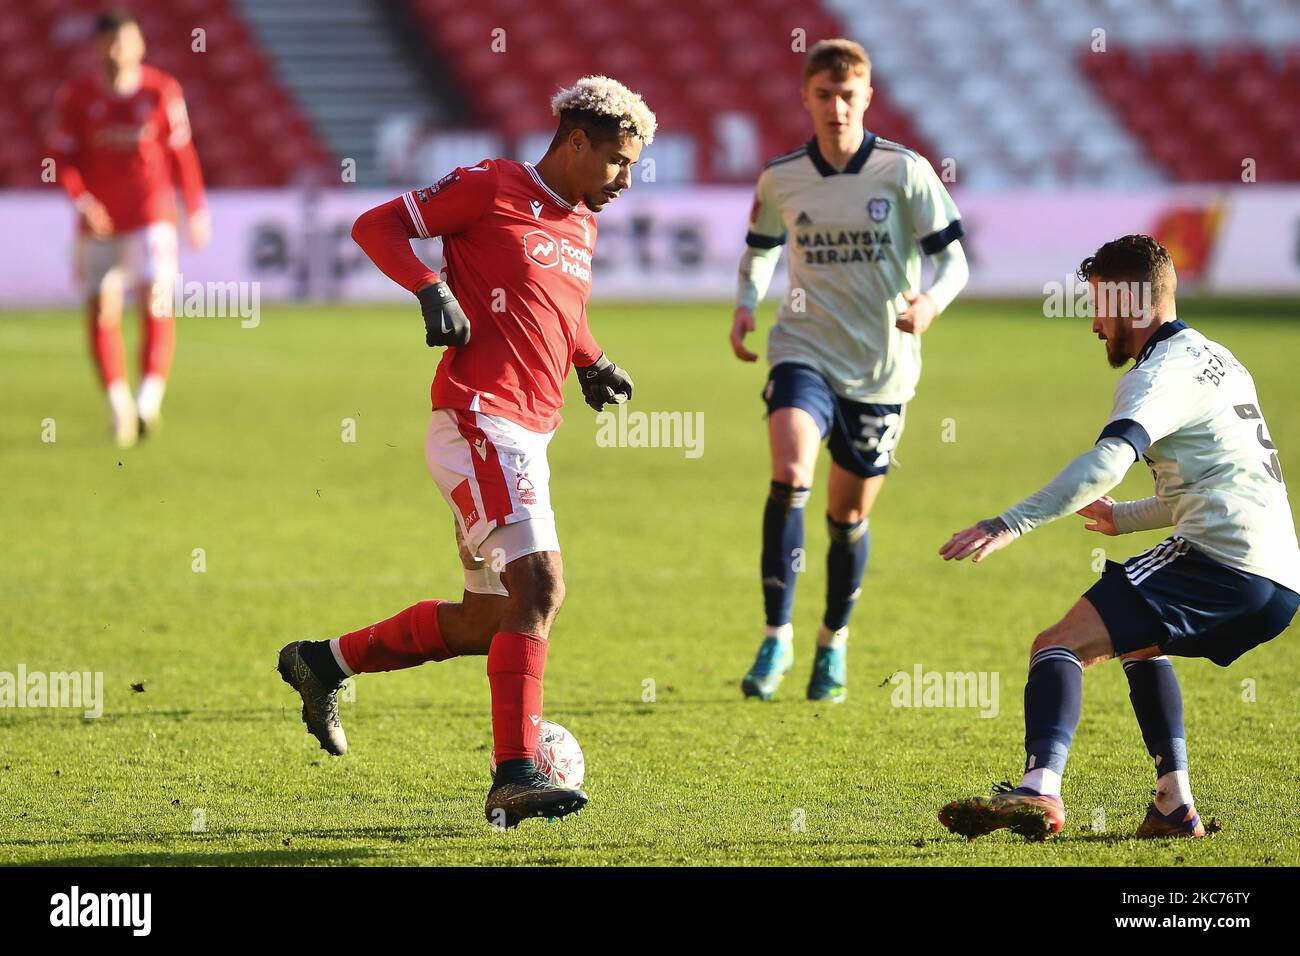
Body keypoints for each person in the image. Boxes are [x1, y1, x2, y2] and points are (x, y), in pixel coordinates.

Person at [278, 76, 652, 828]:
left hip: (527, 434)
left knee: (491, 622)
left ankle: (323, 661)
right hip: (480, 420)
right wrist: (427, 286)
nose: (625, 180)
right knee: (541, 590)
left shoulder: (582, 224)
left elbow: (561, 308)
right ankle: (513, 775)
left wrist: (591, 360)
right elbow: (376, 223)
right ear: (574, 141)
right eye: (616, 160)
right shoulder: (489, 185)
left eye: (632, 166)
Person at [938, 235, 1300, 840]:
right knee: (1139, 643)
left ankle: (1040, 789)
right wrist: (1124, 518)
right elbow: (1213, 482)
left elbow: (1106, 462)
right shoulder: (1218, 358)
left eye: (1100, 305)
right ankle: (1172, 804)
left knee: (1056, 645)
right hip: (1279, 578)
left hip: (1223, 560)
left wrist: (1009, 522)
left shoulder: (1157, 376)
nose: (1095, 325)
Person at [731, 39, 969, 702]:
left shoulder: (904, 171)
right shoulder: (782, 177)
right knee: (791, 473)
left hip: (882, 369)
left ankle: (831, 643)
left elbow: (955, 259)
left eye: (848, 95)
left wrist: (931, 301)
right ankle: (776, 636)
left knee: (847, 517)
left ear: (867, 98)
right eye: (824, 95)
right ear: (807, 98)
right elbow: (760, 249)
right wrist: (747, 305)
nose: (837, 107)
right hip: (803, 349)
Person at [48, 10, 209, 446]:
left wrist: (194, 208)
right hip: (98, 223)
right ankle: (118, 403)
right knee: (102, 310)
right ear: (98, 48)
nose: (120, 51)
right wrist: (83, 201)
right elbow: (59, 160)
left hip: (152, 217)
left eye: (127, 42)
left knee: (156, 303)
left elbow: (183, 155)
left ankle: (147, 401)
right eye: (111, 43)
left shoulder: (161, 91)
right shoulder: (76, 96)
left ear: (140, 45)